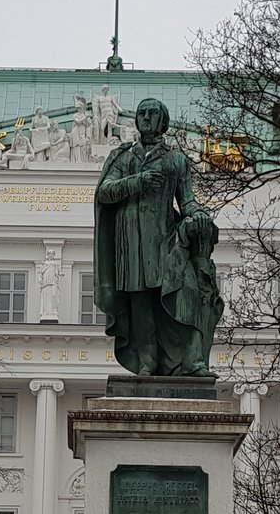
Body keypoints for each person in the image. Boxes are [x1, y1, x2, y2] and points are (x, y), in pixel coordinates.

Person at [92, 96, 224, 376]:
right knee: (140, 302)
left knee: (186, 292)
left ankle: (192, 361)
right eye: (142, 113)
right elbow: (104, 191)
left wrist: (197, 214)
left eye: (153, 113)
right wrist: (137, 182)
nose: (146, 117)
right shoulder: (124, 156)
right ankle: (147, 362)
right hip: (130, 241)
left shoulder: (176, 160)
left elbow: (186, 201)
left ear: (163, 122)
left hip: (165, 239)